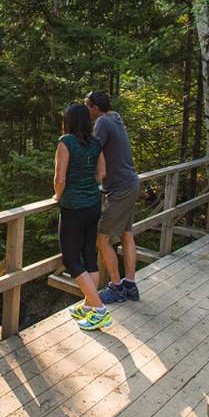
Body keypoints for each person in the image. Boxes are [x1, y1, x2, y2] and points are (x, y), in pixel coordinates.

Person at [53, 102, 113, 331]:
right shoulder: (96, 143)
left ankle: (99, 310)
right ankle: (89, 306)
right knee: (88, 255)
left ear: (67, 121)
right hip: (93, 205)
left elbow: (60, 179)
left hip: (73, 208)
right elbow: (102, 174)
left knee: (70, 258)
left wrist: (58, 196)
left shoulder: (65, 142)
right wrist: (88, 185)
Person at [87, 90, 142, 304]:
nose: (87, 110)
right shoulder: (116, 119)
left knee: (101, 239)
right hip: (130, 183)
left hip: (120, 188)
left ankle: (117, 287)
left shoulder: (102, 122)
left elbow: (92, 150)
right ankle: (130, 285)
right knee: (127, 234)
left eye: (88, 106)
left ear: (95, 107)